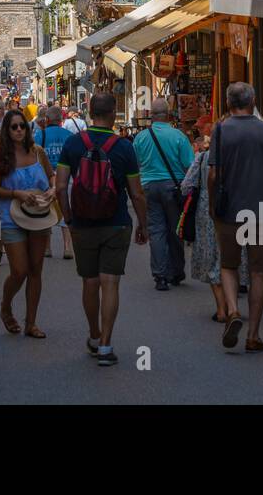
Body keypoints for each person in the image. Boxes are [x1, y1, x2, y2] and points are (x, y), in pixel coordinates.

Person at [55, 92, 147, 367]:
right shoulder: (124, 147)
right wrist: (143, 223)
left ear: (90, 111)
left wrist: (69, 218)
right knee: (110, 283)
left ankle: (94, 335)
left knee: (90, 282)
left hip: (82, 223)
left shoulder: (72, 144)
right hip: (116, 222)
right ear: (113, 112)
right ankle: (106, 345)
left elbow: (60, 187)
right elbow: (137, 193)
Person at [210, 82, 263, 353]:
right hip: (260, 212)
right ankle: (253, 335)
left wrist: (211, 205)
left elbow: (212, 175)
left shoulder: (220, 130)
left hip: (229, 210)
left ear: (229, 103)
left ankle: (232, 310)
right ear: (253, 101)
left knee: (229, 266)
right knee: (258, 272)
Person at [0, 109, 55, 338]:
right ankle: (5, 306)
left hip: (39, 215)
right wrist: (16, 193)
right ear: (7, 131)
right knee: (19, 270)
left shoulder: (38, 152)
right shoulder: (2, 158)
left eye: (22, 126)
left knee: (36, 269)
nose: (18, 130)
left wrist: (53, 190)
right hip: (11, 217)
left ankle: (31, 322)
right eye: (14, 127)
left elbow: (51, 175)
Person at [132, 98, 194, 291]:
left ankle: (160, 275)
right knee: (176, 229)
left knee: (156, 229)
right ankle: (176, 271)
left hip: (149, 186)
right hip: (173, 188)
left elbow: (135, 165)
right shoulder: (179, 136)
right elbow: (189, 166)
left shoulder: (141, 138)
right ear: (168, 115)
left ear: (151, 116)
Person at [183, 138, 232, 324]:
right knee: (230, 259)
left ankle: (221, 309)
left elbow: (186, 185)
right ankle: (232, 306)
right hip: (235, 209)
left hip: (207, 210)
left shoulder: (202, 158)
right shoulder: (237, 157)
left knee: (212, 258)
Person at [34, 105, 74, 260]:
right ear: (61, 121)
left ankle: (47, 247)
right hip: (66, 177)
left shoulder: (40, 135)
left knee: (46, 211)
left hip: (46, 177)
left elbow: (35, 158)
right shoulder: (69, 135)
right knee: (66, 210)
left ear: (47, 120)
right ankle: (67, 247)